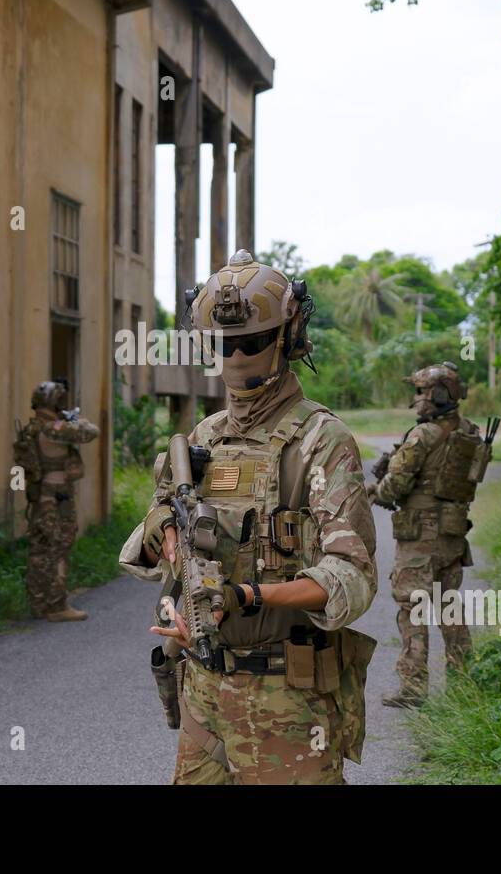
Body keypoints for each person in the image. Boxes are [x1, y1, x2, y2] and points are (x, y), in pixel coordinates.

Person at [120, 249, 378, 784]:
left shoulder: (320, 441)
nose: (237, 355)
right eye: (222, 343)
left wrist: (246, 597)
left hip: (287, 701)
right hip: (204, 692)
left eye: (252, 341)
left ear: (288, 336)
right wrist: (166, 534)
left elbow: (351, 576)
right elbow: (151, 528)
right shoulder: (203, 439)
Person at [371, 362, 479, 708]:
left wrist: (378, 490)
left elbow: (396, 485)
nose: (418, 399)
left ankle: (413, 688)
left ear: (439, 395)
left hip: (419, 533)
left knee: (412, 607)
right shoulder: (469, 431)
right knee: (450, 605)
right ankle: (463, 683)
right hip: (451, 530)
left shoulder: (422, 435)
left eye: (422, 392)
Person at [20, 379, 98, 622]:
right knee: (59, 549)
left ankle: (38, 602)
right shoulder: (53, 428)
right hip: (56, 499)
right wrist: (73, 418)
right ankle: (57, 605)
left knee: (40, 549)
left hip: (40, 498)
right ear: (54, 402)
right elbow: (90, 432)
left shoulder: (33, 428)